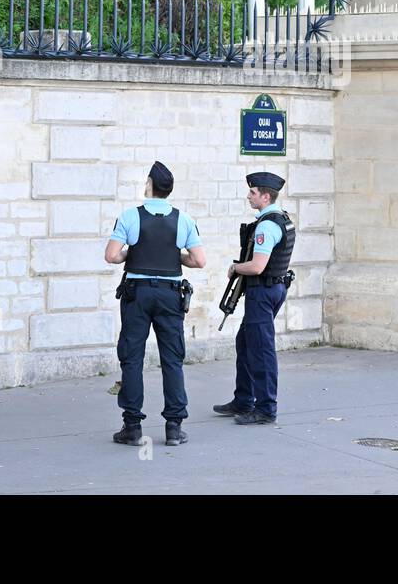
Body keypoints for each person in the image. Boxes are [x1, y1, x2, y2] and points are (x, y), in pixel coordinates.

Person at [105, 161, 205, 447]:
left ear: (149, 185)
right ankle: (174, 427)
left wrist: (129, 254)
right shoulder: (183, 219)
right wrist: (178, 258)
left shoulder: (130, 217)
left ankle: (132, 426)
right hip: (170, 293)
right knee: (172, 358)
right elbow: (198, 260)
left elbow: (111, 256)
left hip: (137, 294)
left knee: (132, 357)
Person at [213, 172, 295, 425]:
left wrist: (236, 268)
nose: (249, 196)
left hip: (263, 290)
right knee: (246, 343)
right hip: (272, 288)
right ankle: (244, 399)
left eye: (253, 193)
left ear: (266, 196)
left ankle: (265, 408)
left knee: (260, 349)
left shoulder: (268, 225)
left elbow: (258, 266)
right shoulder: (282, 219)